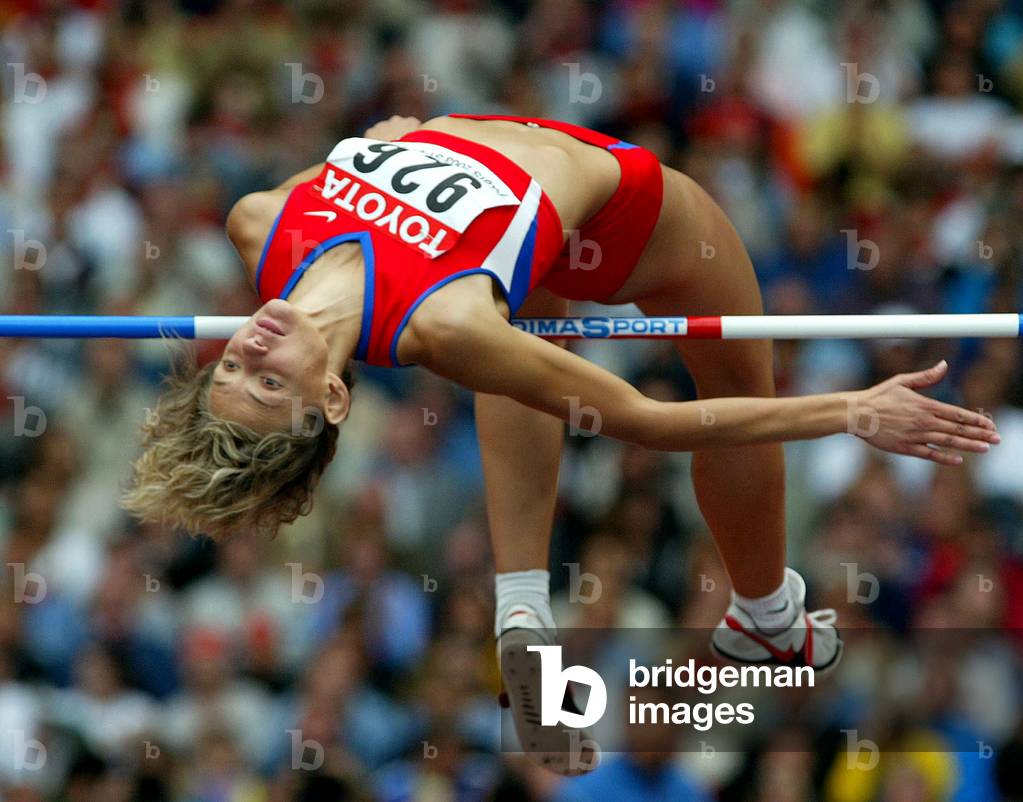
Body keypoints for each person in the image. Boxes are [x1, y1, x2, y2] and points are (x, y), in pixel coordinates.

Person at [121, 113, 999, 774]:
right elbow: (648, 421)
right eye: (272, 383)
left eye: (235, 369)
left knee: (521, 343)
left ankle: (522, 607)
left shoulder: (258, 222)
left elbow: (385, 142)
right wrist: (850, 410)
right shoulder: (443, 321)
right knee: (726, 389)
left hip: (529, 230)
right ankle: (767, 613)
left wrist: (399, 134)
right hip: (642, 226)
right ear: (336, 396)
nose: (254, 346)